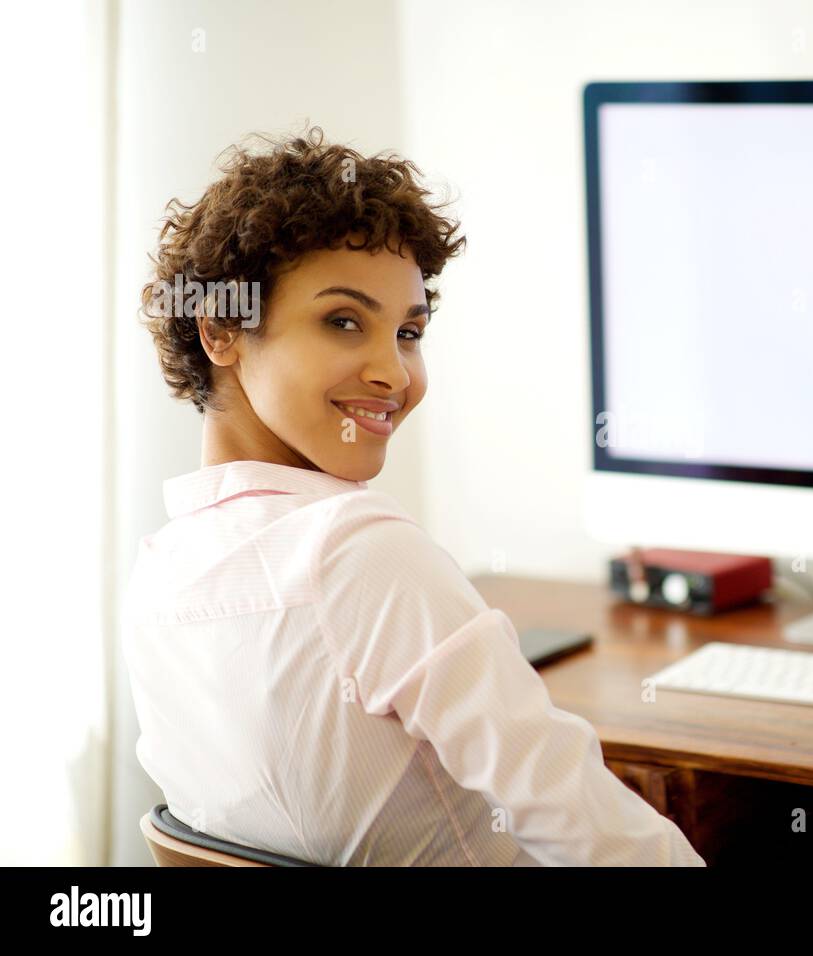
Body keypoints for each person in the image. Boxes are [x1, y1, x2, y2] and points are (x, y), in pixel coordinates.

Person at [124, 127, 705, 867]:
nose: (394, 373)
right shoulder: (358, 550)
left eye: (408, 331)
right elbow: (583, 821)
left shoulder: (160, 570)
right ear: (220, 330)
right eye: (343, 322)